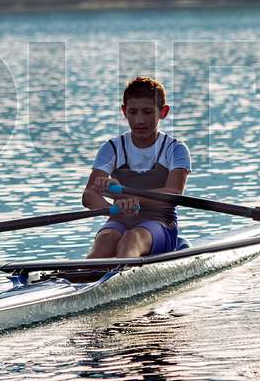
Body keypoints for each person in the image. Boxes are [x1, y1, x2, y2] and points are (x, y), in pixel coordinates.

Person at [80, 76, 190, 260]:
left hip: (161, 223)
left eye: (147, 112)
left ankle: (117, 280)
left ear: (163, 112)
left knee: (131, 239)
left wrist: (131, 199)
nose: (139, 120)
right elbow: (89, 195)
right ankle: (77, 280)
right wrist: (112, 209)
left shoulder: (176, 149)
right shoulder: (112, 148)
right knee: (104, 243)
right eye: (133, 112)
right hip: (119, 219)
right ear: (124, 112)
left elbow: (174, 194)